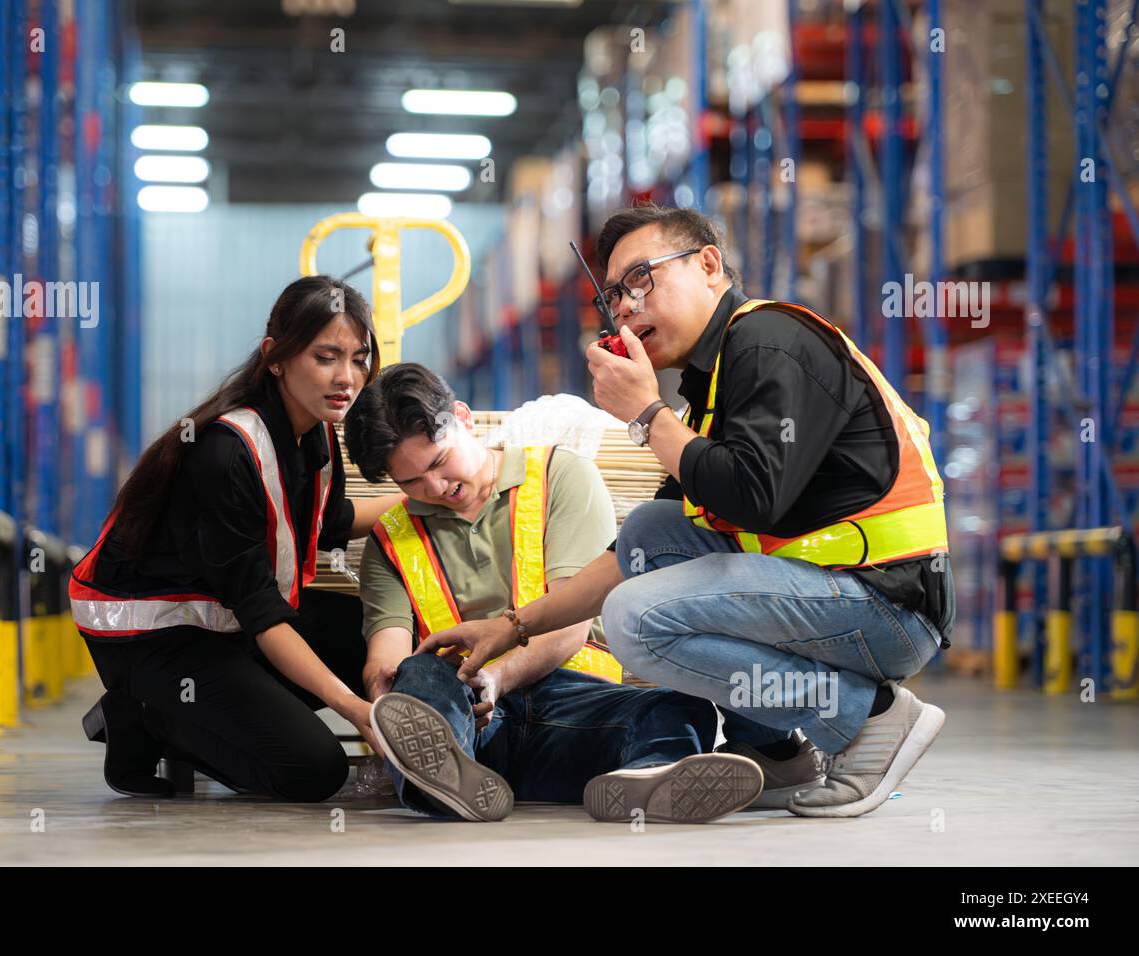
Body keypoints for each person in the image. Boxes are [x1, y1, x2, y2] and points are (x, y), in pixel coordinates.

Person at [416, 205, 954, 819]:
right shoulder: (713, 385)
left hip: (889, 602)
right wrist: (513, 626)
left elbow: (754, 494)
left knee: (636, 620)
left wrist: (647, 415)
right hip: (839, 591)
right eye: (614, 294)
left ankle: (871, 720)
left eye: (641, 278)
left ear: (707, 265)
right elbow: (633, 555)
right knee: (652, 532)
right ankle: (774, 751)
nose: (624, 306)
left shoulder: (770, 339)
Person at [342, 362, 792, 824]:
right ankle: (445, 780)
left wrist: (497, 679)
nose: (436, 487)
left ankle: (649, 776)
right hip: (467, 719)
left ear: (464, 417)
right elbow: (387, 654)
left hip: (575, 708)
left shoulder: (558, 475)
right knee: (418, 675)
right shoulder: (390, 539)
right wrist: (386, 691)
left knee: (676, 708)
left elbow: (571, 626)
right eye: (410, 482)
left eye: (438, 461)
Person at [72, 275, 403, 800]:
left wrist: (425, 493)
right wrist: (355, 709)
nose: (348, 377)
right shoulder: (224, 454)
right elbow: (264, 615)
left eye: (359, 358)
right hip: (160, 643)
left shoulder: (312, 431)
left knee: (381, 645)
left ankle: (235, 706)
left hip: (232, 624)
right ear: (276, 357)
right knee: (314, 770)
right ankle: (144, 719)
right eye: (326, 357)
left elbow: (329, 521)